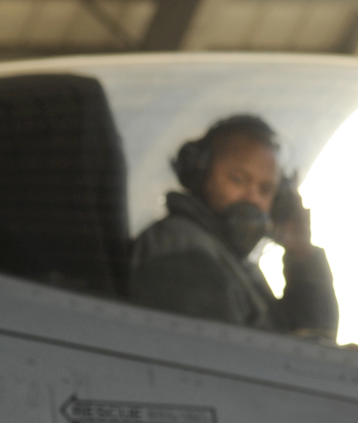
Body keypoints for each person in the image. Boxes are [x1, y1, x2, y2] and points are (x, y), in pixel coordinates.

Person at [130, 114, 338, 337]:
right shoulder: (182, 247)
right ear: (200, 174)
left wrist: (301, 254)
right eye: (238, 179)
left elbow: (313, 343)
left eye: (266, 190)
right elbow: (222, 356)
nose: (252, 198)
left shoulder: (233, 262)